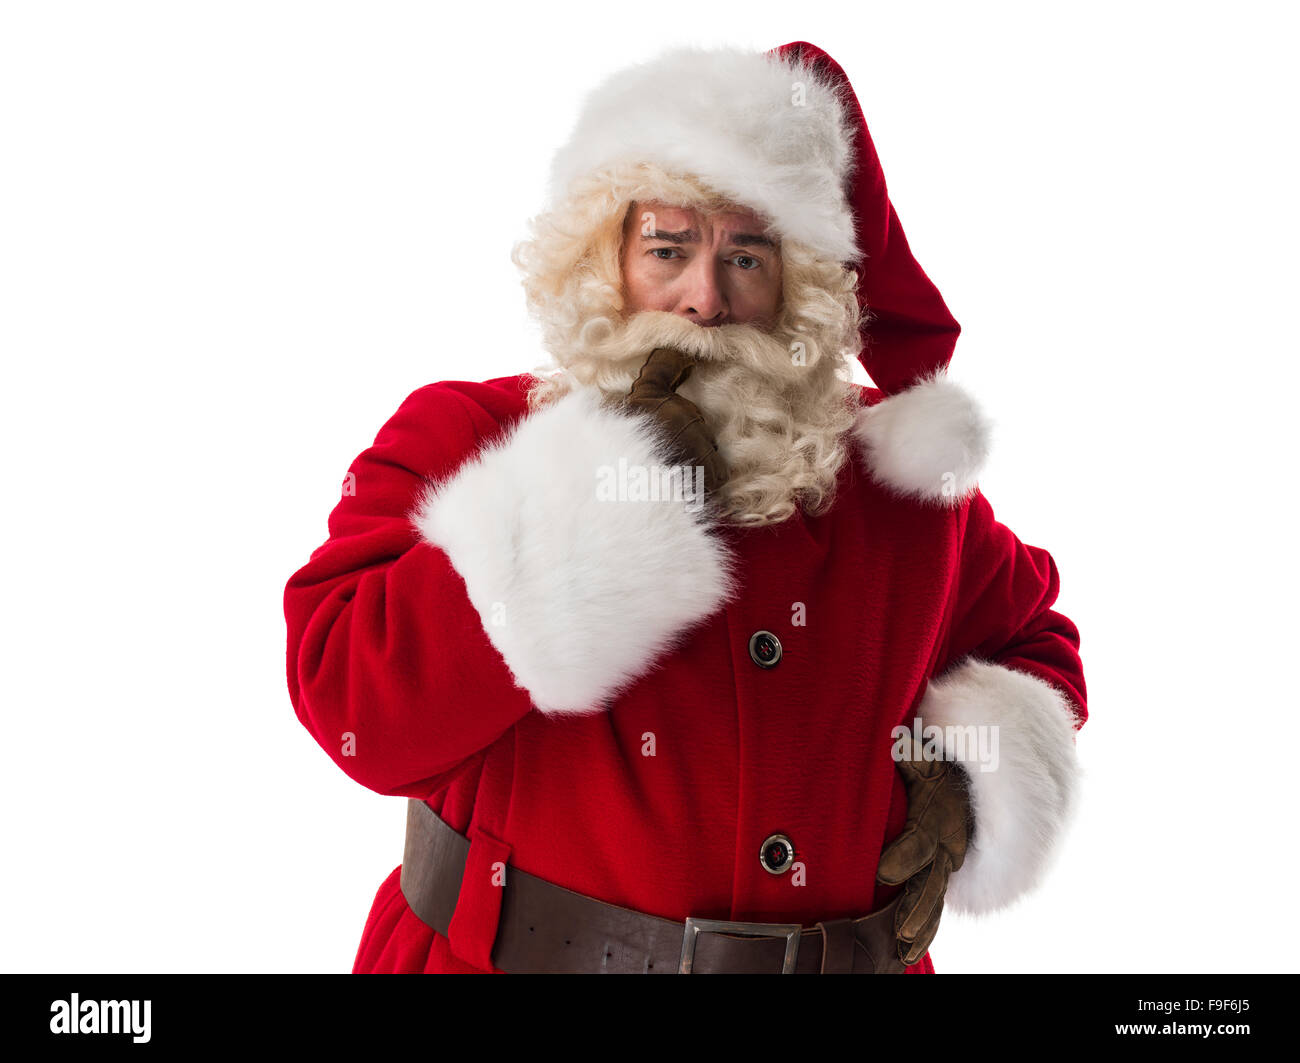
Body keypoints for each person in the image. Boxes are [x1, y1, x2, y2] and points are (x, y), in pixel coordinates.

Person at [282, 41, 1088, 974]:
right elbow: (350, 701)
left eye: (746, 256)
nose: (704, 299)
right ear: (605, 259)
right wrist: (585, 504)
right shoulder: (470, 436)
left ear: (802, 287)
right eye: (668, 249)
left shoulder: (897, 488)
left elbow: (1034, 637)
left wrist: (962, 772)